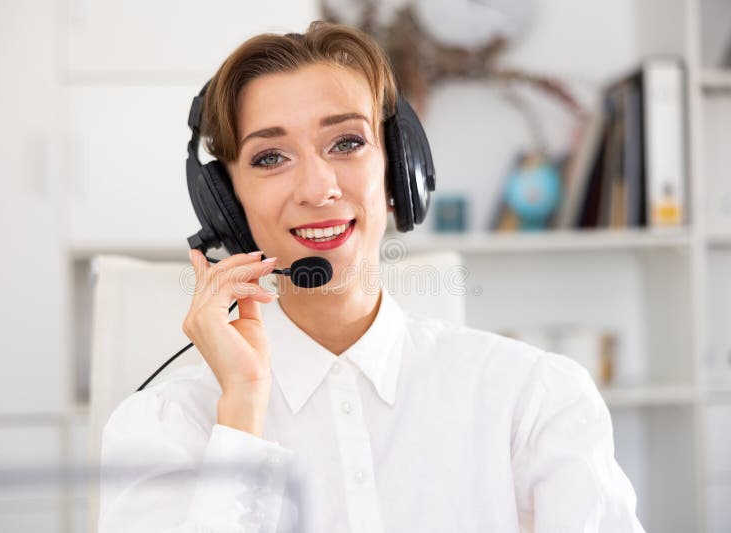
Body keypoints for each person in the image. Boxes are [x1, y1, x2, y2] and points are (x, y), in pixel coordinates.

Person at [98, 20, 645, 533]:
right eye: (270, 158)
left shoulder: (531, 398)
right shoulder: (164, 427)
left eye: (347, 143)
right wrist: (241, 412)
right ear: (227, 205)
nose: (317, 188)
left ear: (399, 173)